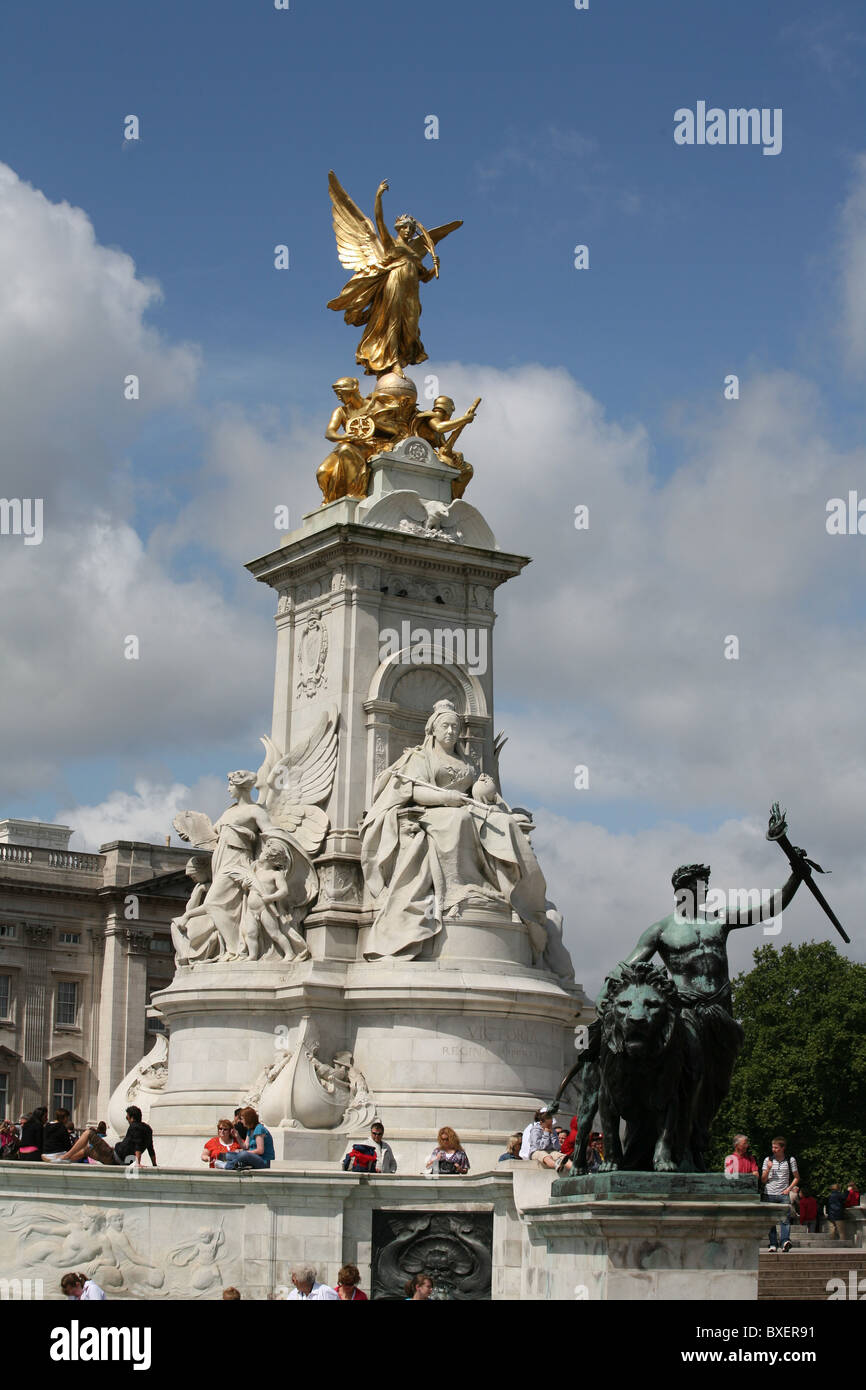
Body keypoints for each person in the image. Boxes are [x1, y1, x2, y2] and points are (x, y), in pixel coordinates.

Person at [762, 1136, 799, 1251]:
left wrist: (789, 1189)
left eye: (776, 1147)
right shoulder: (768, 1159)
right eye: (773, 1147)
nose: (773, 1149)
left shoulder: (790, 1160)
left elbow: (797, 1177)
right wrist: (768, 1169)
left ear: (783, 1148)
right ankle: (773, 1243)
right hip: (769, 1193)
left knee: (785, 1219)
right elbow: (763, 1180)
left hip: (783, 1194)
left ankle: (784, 1241)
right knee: (770, 1221)